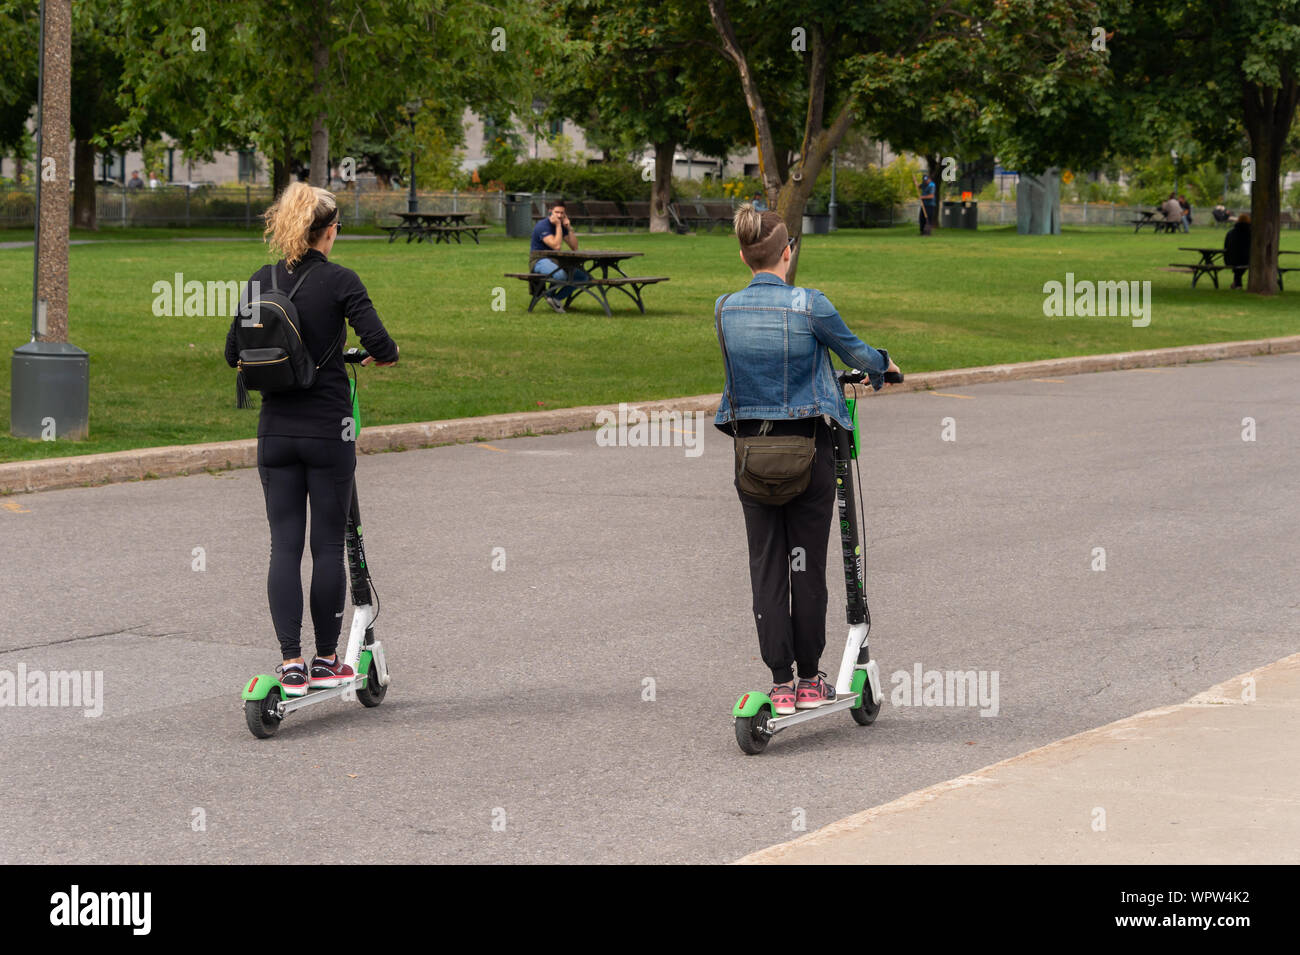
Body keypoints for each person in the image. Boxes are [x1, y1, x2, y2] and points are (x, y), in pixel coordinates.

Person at [715, 204, 900, 716]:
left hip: (751, 455)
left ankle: (778, 680)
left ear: (743, 254)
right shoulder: (809, 306)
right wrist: (885, 366)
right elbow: (857, 353)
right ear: (788, 253)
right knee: (807, 564)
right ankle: (811, 678)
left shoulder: (724, 309)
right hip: (808, 455)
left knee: (767, 565)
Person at [224, 181, 400, 696]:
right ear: (328, 231)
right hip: (329, 430)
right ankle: (327, 660)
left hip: (275, 433)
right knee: (327, 545)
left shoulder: (260, 281)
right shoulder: (342, 280)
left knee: (284, 547)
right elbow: (382, 346)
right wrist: (373, 357)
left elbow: (234, 352)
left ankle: (290, 663)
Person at [530, 198, 590, 313]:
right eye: (556, 212)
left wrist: (568, 228)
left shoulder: (562, 225)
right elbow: (556, 246)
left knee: (583, 277)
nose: (559, 215)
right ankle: (549, 295)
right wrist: (558, 226)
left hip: (556, 260)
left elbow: (574, 247)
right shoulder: (542, 226)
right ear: (550, 211)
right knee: (561, 276)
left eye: (562, 213)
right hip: (540, 260)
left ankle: (555, 298)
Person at [1223, 212, 1251, 289]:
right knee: (1243, 260)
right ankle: (1237, 283)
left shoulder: (1230, 232)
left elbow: (1226, 247)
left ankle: (1237, 283)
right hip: (1248, 259)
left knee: (1238, 262)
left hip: (1231, 259)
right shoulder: (1252, 233)